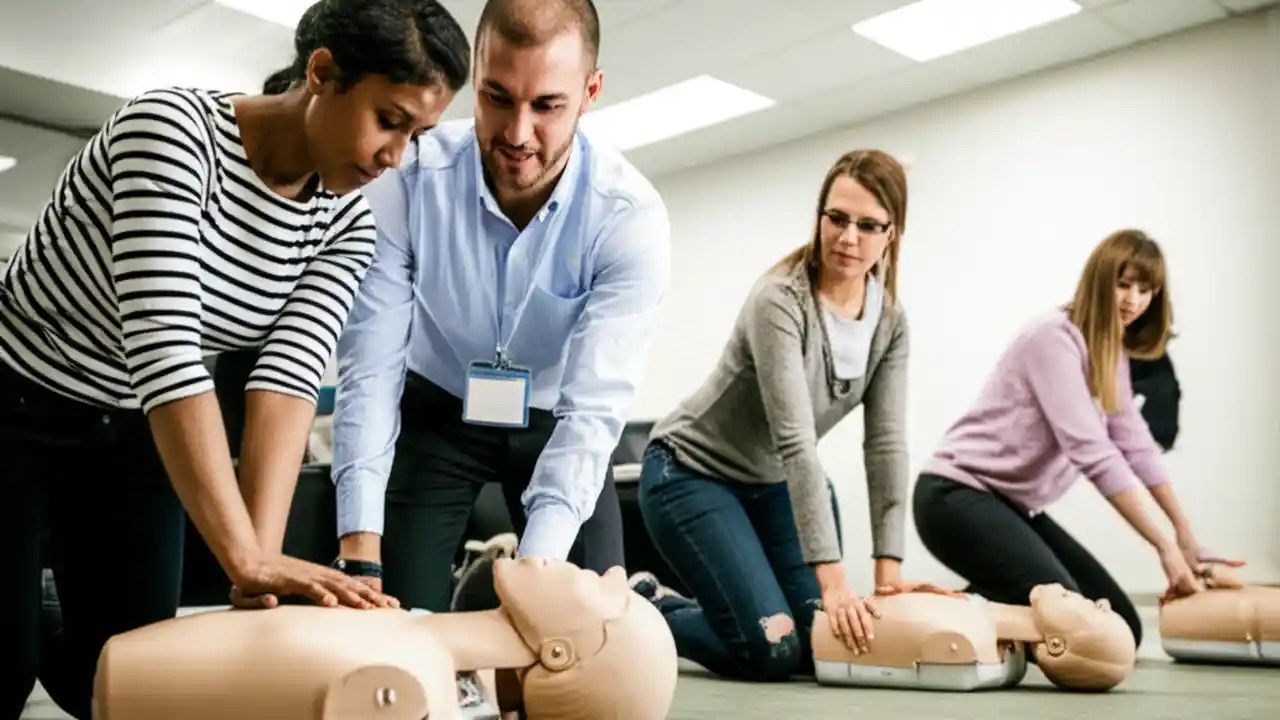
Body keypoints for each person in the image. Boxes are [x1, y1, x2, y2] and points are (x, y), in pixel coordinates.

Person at [0, 1, 471, 717]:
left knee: (131, 677)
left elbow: (287, 380)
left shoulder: (346, 221)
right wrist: (244, 557)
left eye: (419, 135)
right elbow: (167, 352)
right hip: (17, 399)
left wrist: (260, 564)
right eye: (389, 119)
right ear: (322, 73)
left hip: (131, 430)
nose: (395, 157)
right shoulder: (171, 134)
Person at [330, 0, 671, 613]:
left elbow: (594, 408)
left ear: (590, 91)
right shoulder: (407, 179)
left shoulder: (627, 217)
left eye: (547, 106)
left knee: (586, 627)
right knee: (397, 620)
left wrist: (538, 579)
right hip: (436, 409)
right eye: (496, 97)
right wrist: (360, 546)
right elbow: (370, 365)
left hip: (554, 419)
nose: (517, 134)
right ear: (474, 77)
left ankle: (522, 583)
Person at [632, 149, 946, 683]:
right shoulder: (779, 300)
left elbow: (886, 445)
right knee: (771, 650)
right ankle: (644, 607)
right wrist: (835, 583)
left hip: (771, 485)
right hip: (689, 474)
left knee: (820, 643)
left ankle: (725, 611)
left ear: (891, 234)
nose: (849, 237)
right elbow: (797, 440)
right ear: (820, 215)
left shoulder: (890, 322)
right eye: (837, 218)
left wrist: (887, 578)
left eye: (868, 225)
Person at [913, 229, 1242, 649]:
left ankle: (969, 604)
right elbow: (1092, 452)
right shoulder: (1054, 337)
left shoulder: (1109, 348)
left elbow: (1135, 445)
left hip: (1013, 508)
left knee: (1123, 626)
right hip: (954, 497)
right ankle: (924, 620)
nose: (1133, 300)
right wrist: (1163, 547)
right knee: (1082, 627)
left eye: (1146, 289)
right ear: (1099, 279)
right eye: (1123, 284)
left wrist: (1185, 536)